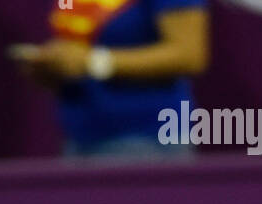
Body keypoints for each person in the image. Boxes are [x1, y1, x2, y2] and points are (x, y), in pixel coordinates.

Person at [11, 0, 210, 158]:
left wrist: (95, 62)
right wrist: (53, 67)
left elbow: (189, 54)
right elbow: (77, 54)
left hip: (146, 136)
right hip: (79, 136)